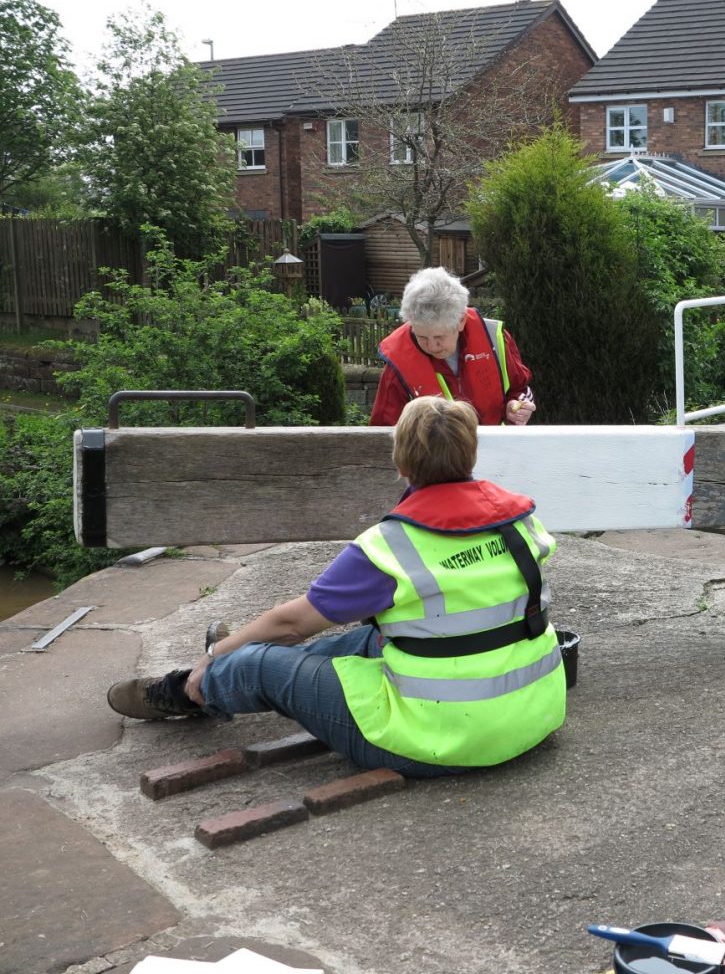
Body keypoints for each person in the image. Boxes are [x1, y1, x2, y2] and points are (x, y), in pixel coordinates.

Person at [106, 397, 566, 777]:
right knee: (366, 638)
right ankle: (220, 671)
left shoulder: (393, 547)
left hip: (439, 741)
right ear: (470, 455)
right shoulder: (520, 523)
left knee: (258, 662)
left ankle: (188, 687)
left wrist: (220, 650)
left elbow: (291, 624)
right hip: (532, 715)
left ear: (400, 463)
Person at [369, 267, 536, 427]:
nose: (432, 346)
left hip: (493, 449)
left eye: (439, 337)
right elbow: (383, 431)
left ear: (461, 321)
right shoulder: (398, 361)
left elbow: (519, 388)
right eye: (422, 337)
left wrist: (517, 406)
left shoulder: (494, 338)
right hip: (433, 455)